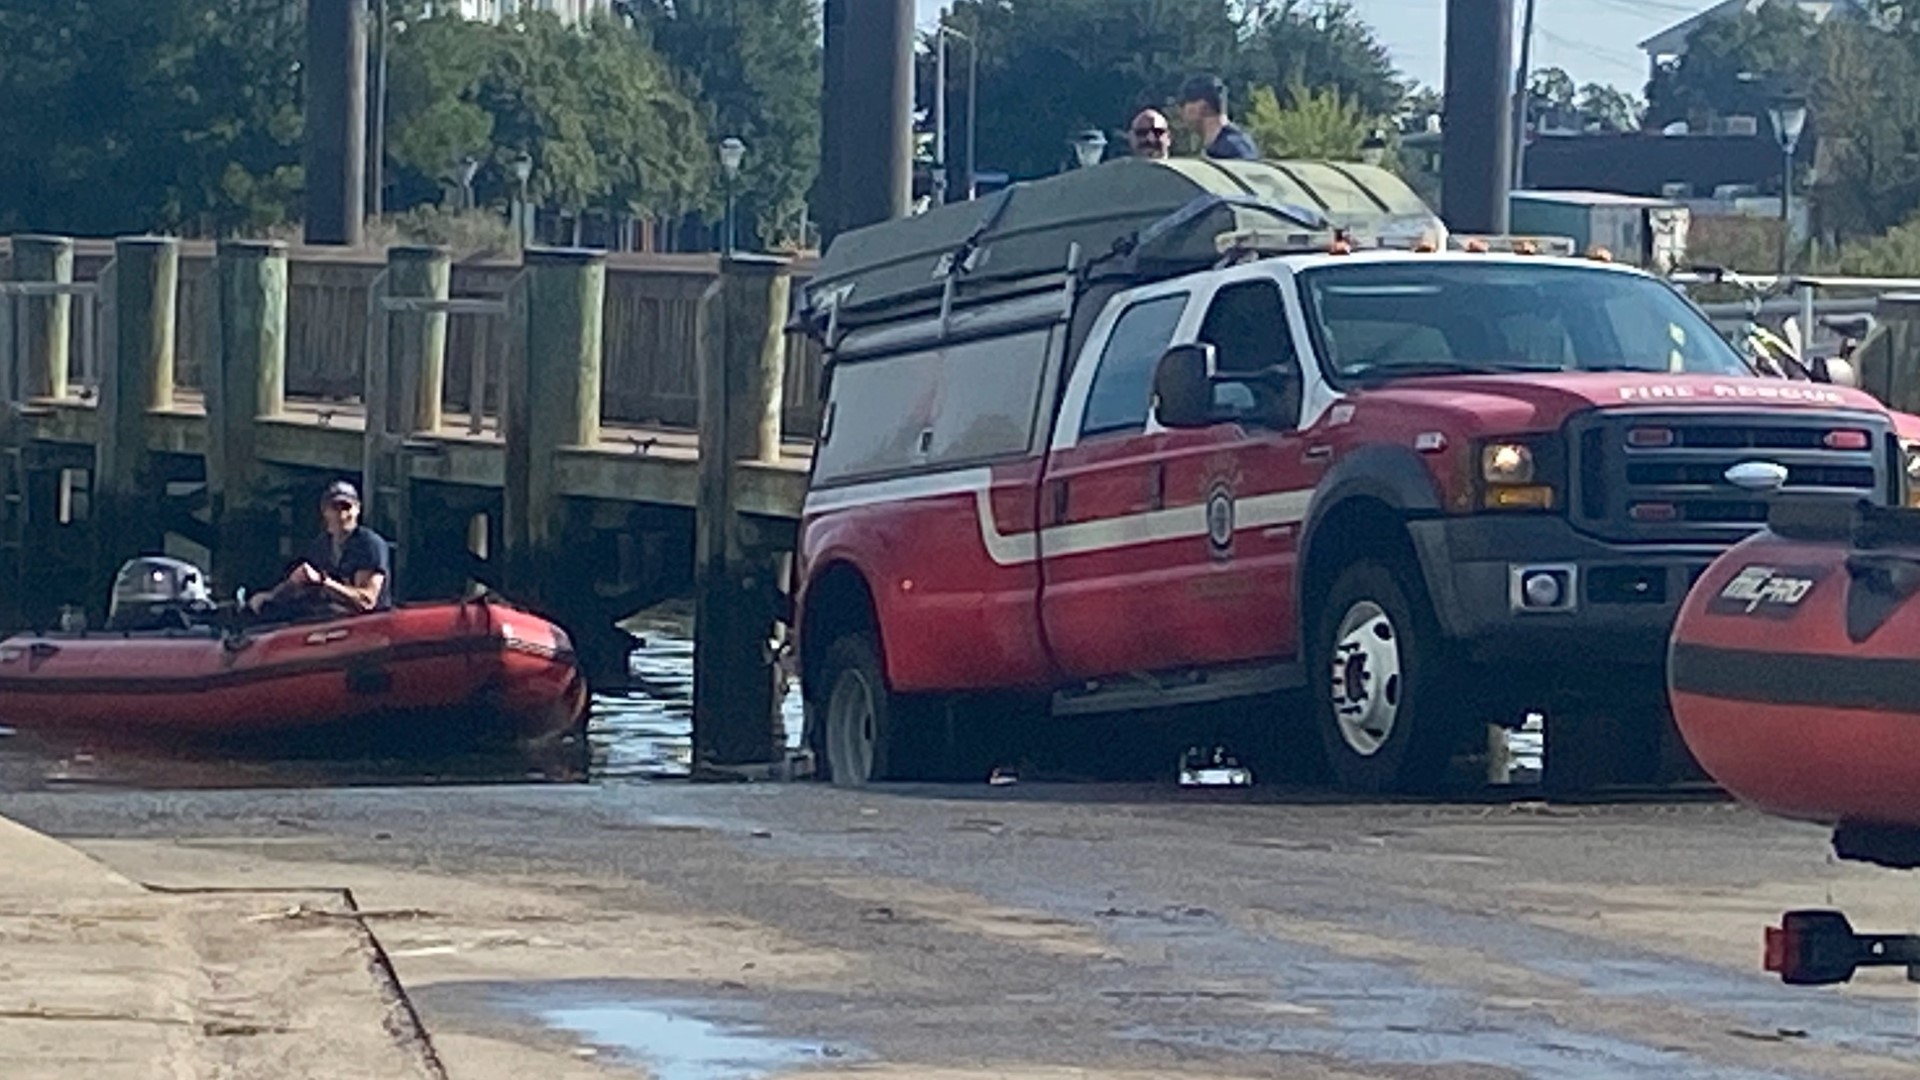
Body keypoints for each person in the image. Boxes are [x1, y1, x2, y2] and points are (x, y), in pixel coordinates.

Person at [248, 480, 392, 618]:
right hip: (330, 621)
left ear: (358, 509)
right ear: (324, 511)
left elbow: (367, 602)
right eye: (334, 508)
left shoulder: (369, 545)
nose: (341, 515)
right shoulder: (321, 545)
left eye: (346, 507)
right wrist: (271, 596)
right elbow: (302, 579)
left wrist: (323, 581)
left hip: (369, 625)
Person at [1179, 74, 1259, 160]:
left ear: (1202, 107)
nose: (1181, 113)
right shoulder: (1219, 145)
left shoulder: (1235, 147)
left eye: (1183, 105)